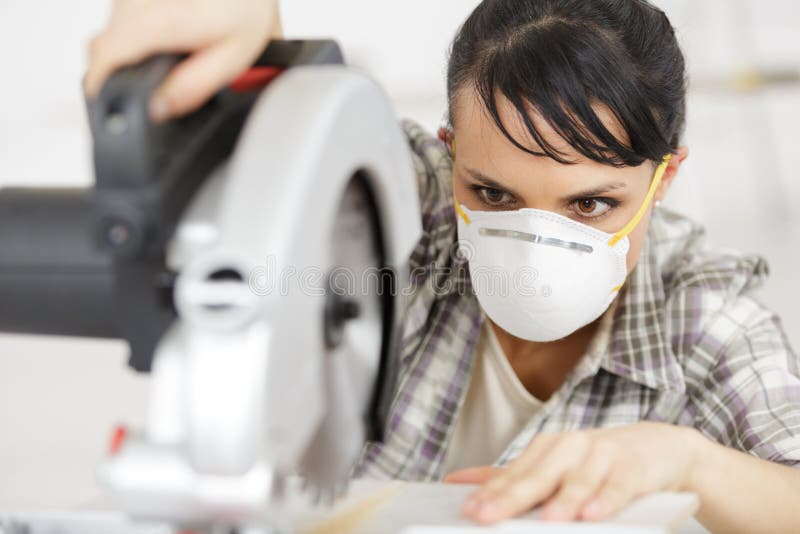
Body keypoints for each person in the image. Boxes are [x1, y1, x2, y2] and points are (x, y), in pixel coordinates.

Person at [85, 1, 800, 532]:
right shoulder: (396, 207)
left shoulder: (701, 316)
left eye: (590, 205)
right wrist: (244, 48)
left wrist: (686, 460)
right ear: (449, 152)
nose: (539, 249)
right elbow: (290, 162)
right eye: (492, 193)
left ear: (664, 180)